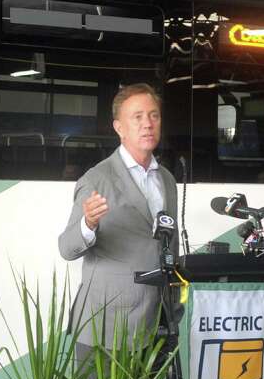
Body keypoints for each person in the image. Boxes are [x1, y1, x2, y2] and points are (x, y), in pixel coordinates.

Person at [58, 83, 177, 356]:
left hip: (155, 321)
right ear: (118, 127)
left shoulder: (166, 179)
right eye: (137, 117)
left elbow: (167, 243)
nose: (147, 124)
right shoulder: (97, 178)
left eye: (154, 115)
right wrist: (87, 223)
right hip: (107, 327)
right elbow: (66, 248)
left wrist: (173, 307)